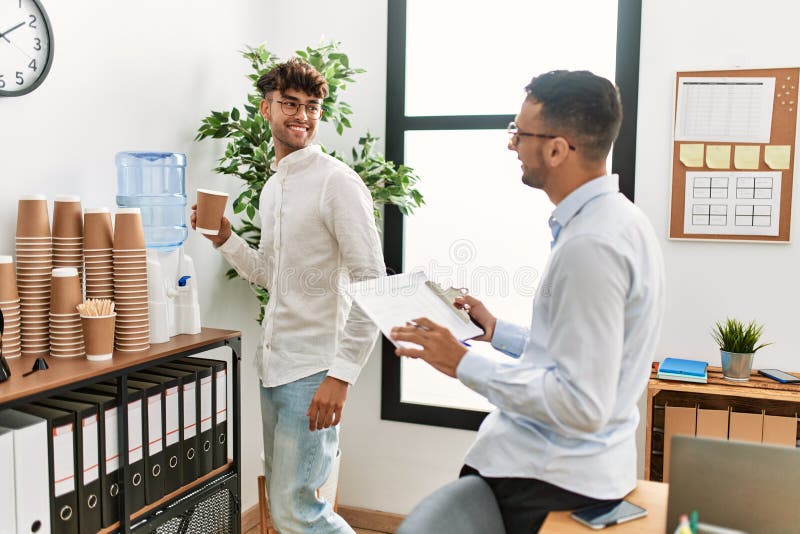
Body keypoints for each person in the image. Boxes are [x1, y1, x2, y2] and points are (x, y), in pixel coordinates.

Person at [391, 70, 665, 534]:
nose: (511, 144)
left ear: (557, 149)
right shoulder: (619, 221)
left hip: (552, 478)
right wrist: (497, 332)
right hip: (580, 467)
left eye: (519, 133)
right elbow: (573, 356)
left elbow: (582, 403)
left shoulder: (591, 246)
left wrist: (463, 362)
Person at [192, 58, 384, 533]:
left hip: (314, 370)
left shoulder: (337, 182)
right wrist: (224, 238)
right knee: (287, 508)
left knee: (298, 511)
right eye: (290, 104)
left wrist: (340, 376)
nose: (302, 115)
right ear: (266, 109)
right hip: (274, 368)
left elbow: (372, 283)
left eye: (311, 106)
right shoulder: (273, 188)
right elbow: (271, 275)